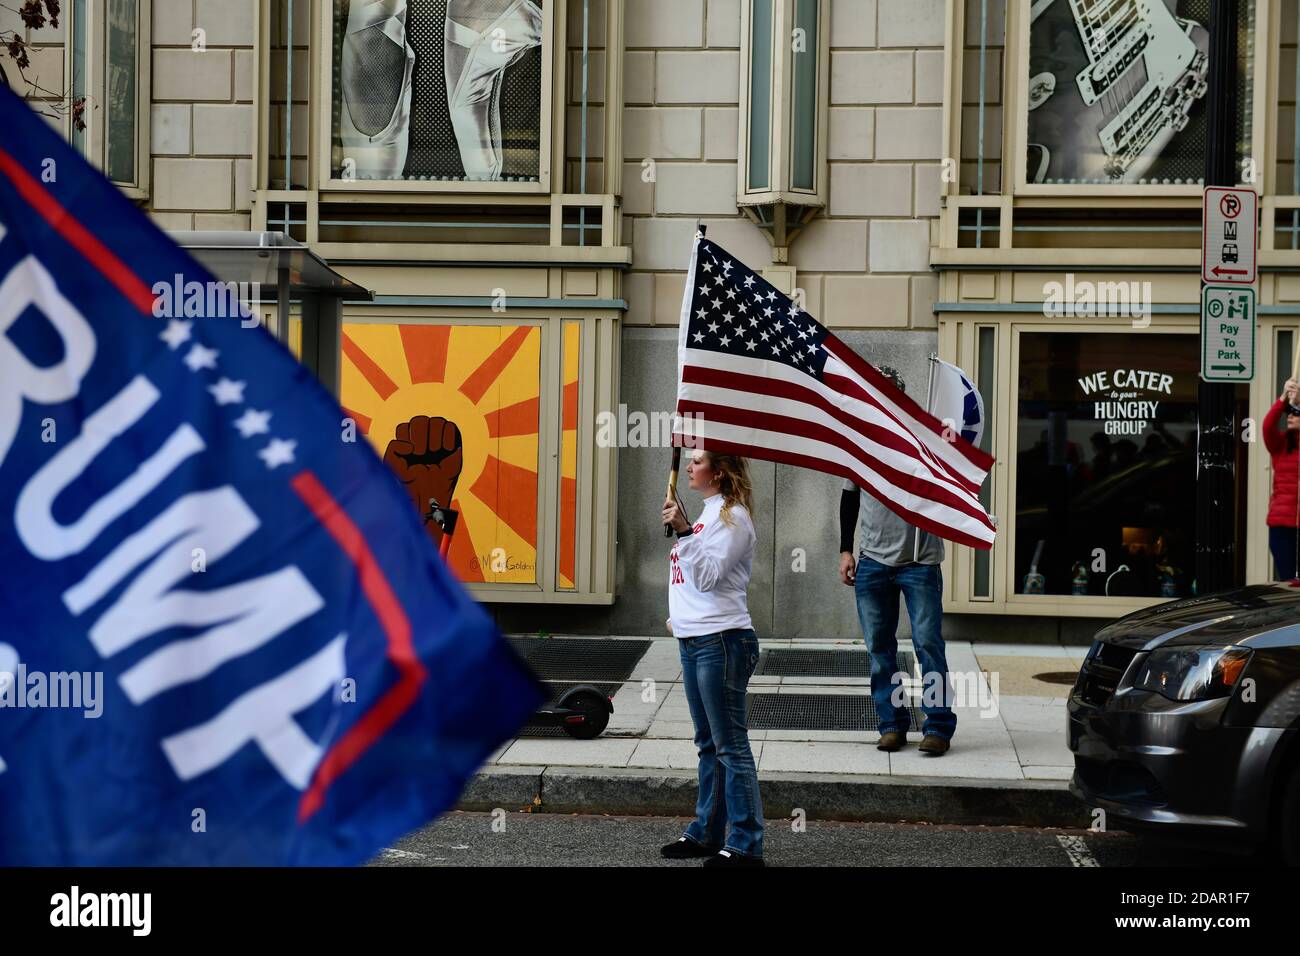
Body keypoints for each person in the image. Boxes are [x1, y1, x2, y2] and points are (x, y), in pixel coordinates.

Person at [837, 367, 956, 755]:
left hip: (920, 561)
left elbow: (949, 488)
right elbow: (849, 497)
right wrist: (845, 549)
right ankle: (891, 724)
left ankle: (937, 726)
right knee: (879, 648)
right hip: (873, 559)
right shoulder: (860, 441)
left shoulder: (925, 439)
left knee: (928, 645)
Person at [660, 449, 764, 867]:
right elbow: (688, 583)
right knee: (709, 744)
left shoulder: (733, 518)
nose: (689, 465)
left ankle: (746, 844)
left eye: (698, 461)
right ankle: (707, 832)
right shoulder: (706, 514)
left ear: (718, 473)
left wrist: (685, 532)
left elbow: (707, 576)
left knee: (730, 745)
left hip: (723, 642)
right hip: (696, 640)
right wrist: (679, 620)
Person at [1263, 377, 1300, 580]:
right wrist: (1283, 398)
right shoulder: (1281, 445)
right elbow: (1268, 426)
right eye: (1289, 413)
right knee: (1288, 580)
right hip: (1282, 526)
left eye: (1295, 412)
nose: (1290, 416)